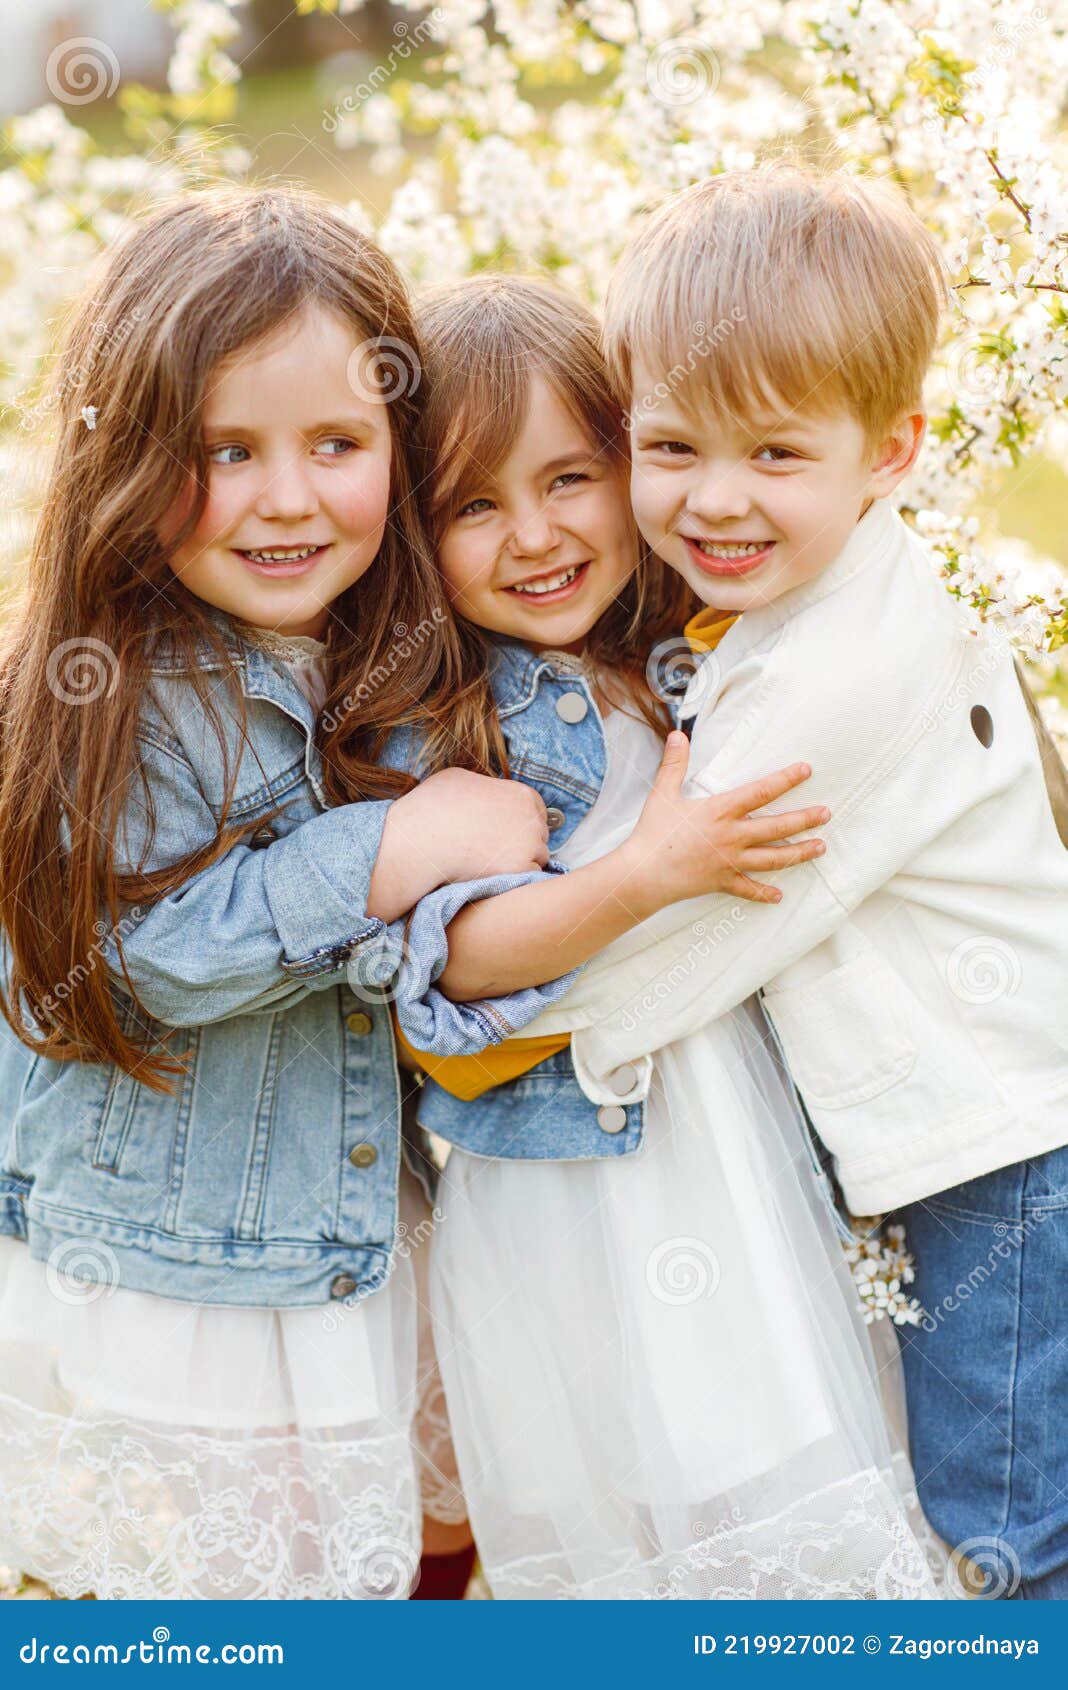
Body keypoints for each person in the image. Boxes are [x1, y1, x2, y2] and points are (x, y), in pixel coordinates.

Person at [434, 169, 1068, 1600]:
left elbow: (674, 959)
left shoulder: (840, 680)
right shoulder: (804, 601)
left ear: (893, 450)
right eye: (670, 447)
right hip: (958, 1137)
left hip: (1001, 1152)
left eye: (775, 455)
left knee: (1003, 1528)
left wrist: (457, 1008)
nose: (714, 500)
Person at [0, 185, 560, 1599]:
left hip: (357, 1241)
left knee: (395, 1561)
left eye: (338, 443)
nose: (289, 497)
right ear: (128, 457)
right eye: (225, 450)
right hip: (174, 1273)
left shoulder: (403, 666)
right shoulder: (112, 689)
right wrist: (394, 848)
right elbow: (151, 956)